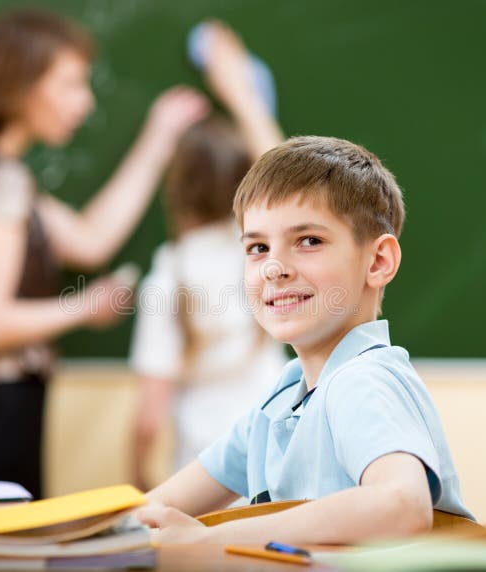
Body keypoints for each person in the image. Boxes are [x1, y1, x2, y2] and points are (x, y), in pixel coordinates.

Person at [0, 8, 207, 499]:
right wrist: (86, 307)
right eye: (71, 84)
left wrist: (158, 138)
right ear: (23, 83)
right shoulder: (1, 180)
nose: (85, 103)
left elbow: (90, 239)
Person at [136, 136, 475, 544]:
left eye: (309, 241)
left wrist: (213, 539)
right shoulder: (280, 401)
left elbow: (401, 506)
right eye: (258, 247)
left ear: (378, 261)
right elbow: (155, 508)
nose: (274, 268)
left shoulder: (363, 379)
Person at [128, 22, 286, 490]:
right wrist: (240, 91)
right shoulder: (267, 253)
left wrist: (137, 479)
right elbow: (289, 181)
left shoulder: (169, 272)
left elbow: (147, 422)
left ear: (177, 189)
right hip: (276, 476)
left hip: (201, 487)